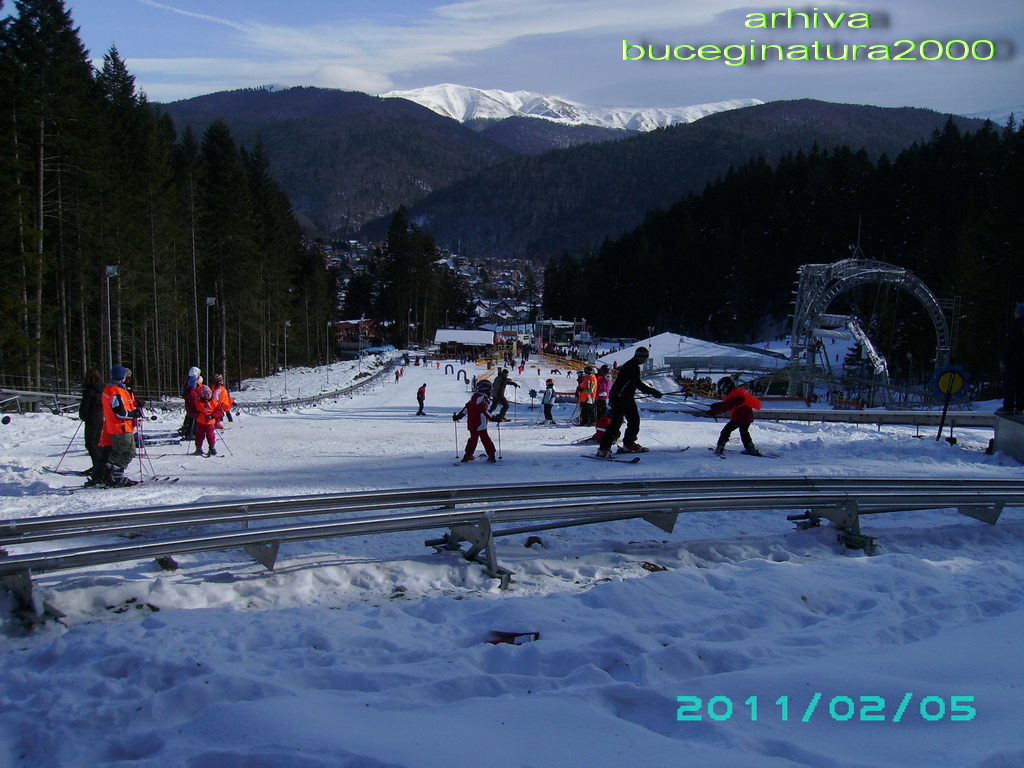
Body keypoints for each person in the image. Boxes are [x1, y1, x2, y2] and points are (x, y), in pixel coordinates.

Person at [596, 347, 662, 457]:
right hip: (619, 397)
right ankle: (604, 448)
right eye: (644, 357)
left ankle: (629, 443)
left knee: (634, 421)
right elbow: (638, 383)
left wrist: (651, 391)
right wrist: (652, 391)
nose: (645, 360)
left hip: (626, 398)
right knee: (616, 423)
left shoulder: (633, 365)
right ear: (639, 356)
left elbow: (633, 384)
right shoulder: (632, 366)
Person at [101, 364, 143, 486]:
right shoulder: (117, 391)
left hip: (113, 427)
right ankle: (117, 475)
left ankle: (108, 473)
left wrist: (135, 404)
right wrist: (134, 414)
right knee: (129, 452)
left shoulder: (108, 389)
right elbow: (120, 412)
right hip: (121, 427)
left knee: (118, 451)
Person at [707, 377, 763, 456]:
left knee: (726, 431)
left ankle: (720, 448)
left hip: (740, 418)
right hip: (745, 417)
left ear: (726, 387)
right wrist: (717, 405)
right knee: (744, 432)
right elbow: (729, 403)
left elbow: (728, 406)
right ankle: (751, 449)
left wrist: (713, 412)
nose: (723, 391)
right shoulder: (738, 392)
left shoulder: (737, 395)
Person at [453, 380, 498, 462]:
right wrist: (493, 418)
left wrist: (458, 417)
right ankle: (492, 455)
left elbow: (465, 410)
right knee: (485, 439)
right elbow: (484, 411)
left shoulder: (472, 399)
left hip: (472, 423)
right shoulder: (485, 399)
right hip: (481, 423)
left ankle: (468, 455)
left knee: (473, 439)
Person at [78, 368, 107, 486]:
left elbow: (85, 405)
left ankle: (99, 467)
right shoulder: (103, 389)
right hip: (101, 417)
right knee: (96, 443)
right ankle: (100, 465)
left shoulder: (89, 390)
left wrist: (82, 415)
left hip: (91, 418)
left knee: (90, 443)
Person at [998, 303, 1024, 415]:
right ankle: (1020, 407)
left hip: (1014, 360)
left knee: (1010, 384)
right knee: (1021, 385)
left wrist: (1004, 359)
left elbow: (1010, 344)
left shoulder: (1016, 326)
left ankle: (1008, 407)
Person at [193, 386, 224, 457]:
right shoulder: (198, 402)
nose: (206, 396)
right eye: (204, 394)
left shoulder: (214, 402)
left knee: (211, 436)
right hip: (200, 422)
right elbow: (194, 409)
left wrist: (212, 416)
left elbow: (218, 411)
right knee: (199, 436)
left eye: (208, 394)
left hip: (210, 422)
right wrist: (195, 413)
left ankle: (212, 448)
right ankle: (198, 448)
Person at [179, 366, 202, 439]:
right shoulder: (192, 389)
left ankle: (187, 431)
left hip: (189, 404)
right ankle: (191, 433)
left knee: (190, 418)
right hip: (193, 406)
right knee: (193, 420)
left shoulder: (187, 381)